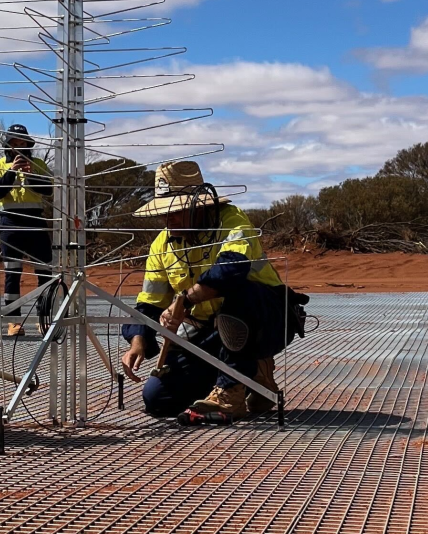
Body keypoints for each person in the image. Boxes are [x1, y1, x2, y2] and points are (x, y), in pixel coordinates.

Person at [120, 161, 298, 423]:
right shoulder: (161, 244)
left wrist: (184, 300)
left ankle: (231, 392)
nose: (168, 219)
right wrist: (138, 341)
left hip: (265, 320)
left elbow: (231, 270)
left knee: (239, 292)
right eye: (164, 213)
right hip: (209, 333)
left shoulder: (232, 220)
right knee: (158, 399)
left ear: (197, 205)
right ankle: (249, 376)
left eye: (177, 211)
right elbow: (148, 304)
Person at [0, 124, 52, 334]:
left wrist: (31, 173)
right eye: (14, 143)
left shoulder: (39, 164)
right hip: (10, 222)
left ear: (28, 144)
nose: (18, 147)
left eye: (22, 143)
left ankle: (44, 318)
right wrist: (12, 171)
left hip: (35, 221)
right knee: (12, 272)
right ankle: (14, 321)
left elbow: (48, 190)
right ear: (7, 145)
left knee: (45, 271)